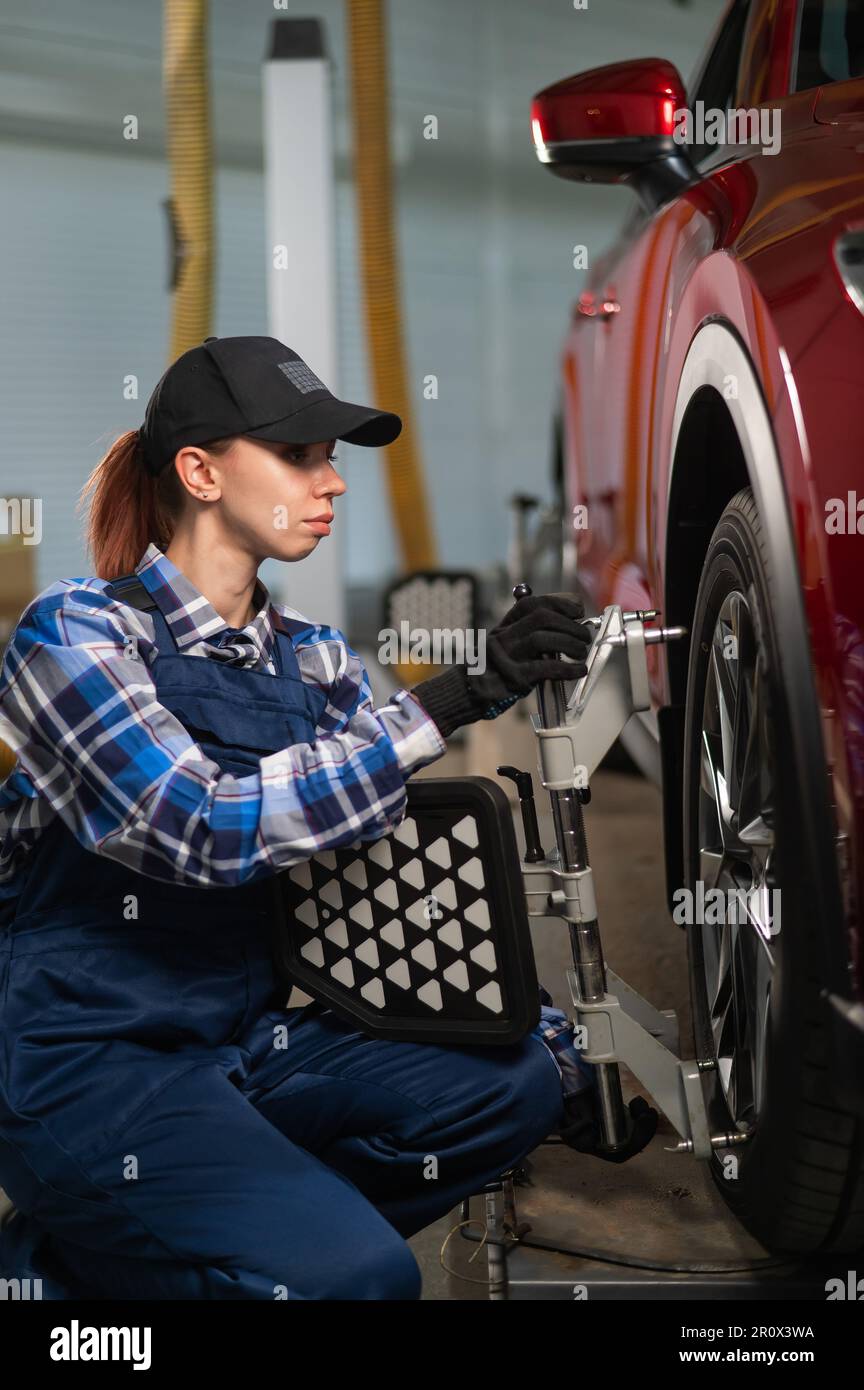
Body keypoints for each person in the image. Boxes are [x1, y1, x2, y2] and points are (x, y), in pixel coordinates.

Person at [0, 335, 652, 1302]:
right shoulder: (80, 630)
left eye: (332, 456)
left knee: (511, 1083)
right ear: (202, 472)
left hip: (245, 1048)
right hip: (89, 1060)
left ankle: (146, 1248)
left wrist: (562, 1055)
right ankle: (94, 1267)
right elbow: (199, 827)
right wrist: (448, 702)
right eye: (300, 455)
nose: (332, 482)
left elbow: (408, 879)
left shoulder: (314, 660)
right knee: (364, 1281)